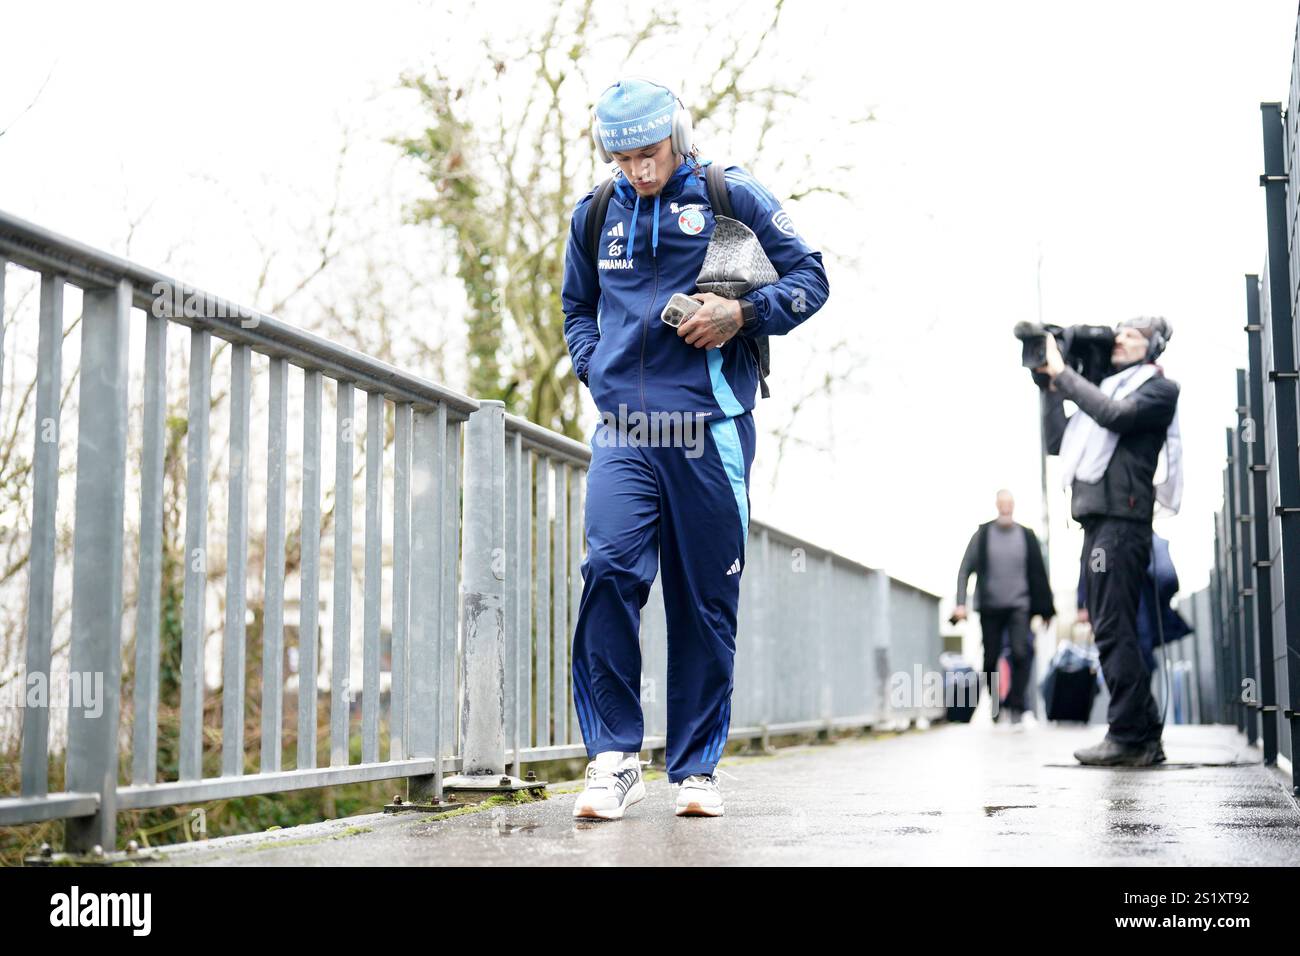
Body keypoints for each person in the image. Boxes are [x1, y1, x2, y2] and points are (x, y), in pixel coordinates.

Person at [560, 77, 829, 819]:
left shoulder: (726, 194)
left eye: (649, 154)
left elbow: (813, 279)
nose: (639, 171)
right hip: (627, 432)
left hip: (710, 429)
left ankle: (696, 769)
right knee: (608, 568)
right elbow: (576, 307)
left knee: (704, 599)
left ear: (676, 133)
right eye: (624, 159)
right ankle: (613, 758)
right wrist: (595, 369)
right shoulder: (594, 214)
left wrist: (741, 314)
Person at [1038, 316, 1182, 766]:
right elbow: (1058, 440)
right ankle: (1139, 735)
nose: (1120, 341)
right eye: (1118, 333)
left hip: (1122, 524)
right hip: (1100, 524)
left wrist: (1066, 375)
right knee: (1109, 625)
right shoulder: (1109, 389)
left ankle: (1130, 735)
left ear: (1154, 347)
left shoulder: (1159, 390)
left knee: (1113, 626)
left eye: (1133, 336)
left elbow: (1114, 416)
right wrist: (1047, 386)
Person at [953, 489, 1055, 729]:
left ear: (1014, 506)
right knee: (990, 660)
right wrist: (960, 604)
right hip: (990, 607)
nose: (1006, 508)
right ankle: (997, 706)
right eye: (1003, 504)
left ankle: (1017, 707)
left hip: (1020, 605)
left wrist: (1047, 609)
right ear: (997, 505)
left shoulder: (1026, 535)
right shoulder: (983, 533)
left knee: (1021, 653)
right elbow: (965, 568)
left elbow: (1039, 574)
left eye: (1010, 503)